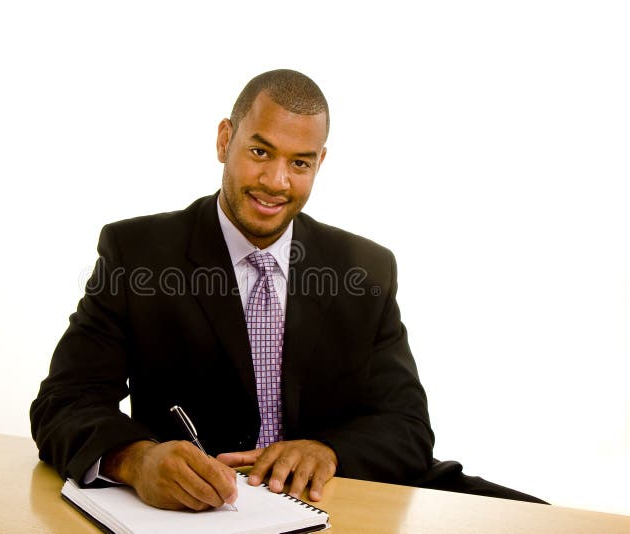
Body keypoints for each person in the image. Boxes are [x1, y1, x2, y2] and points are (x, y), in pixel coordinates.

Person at [30, 69, 545, 511]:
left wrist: (327, 451)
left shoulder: (366, 268)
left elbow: (406, 425)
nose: (276, 181)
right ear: (223, 139)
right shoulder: (138, 253)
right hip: (208, 510)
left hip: (344, 494)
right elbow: (64, 402)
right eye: (260, 151)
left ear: (320, 163)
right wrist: (135, 460)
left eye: (299, 162)